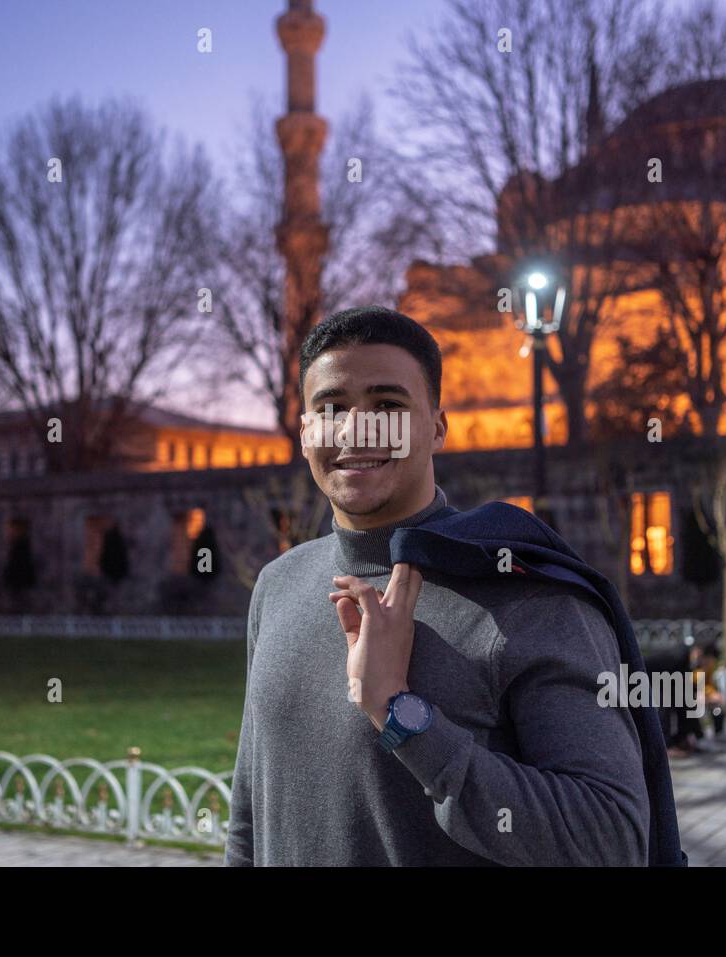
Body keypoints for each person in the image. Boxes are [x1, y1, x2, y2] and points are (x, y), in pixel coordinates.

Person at [224, 305, 679, 866]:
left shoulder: (526, 596)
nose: (356, 429)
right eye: (331, 408)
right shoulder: (278, 584)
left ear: (438, 427)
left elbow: (611, 840)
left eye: (388, 406)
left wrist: (399, 713)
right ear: (305, 433)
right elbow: (249, 817)